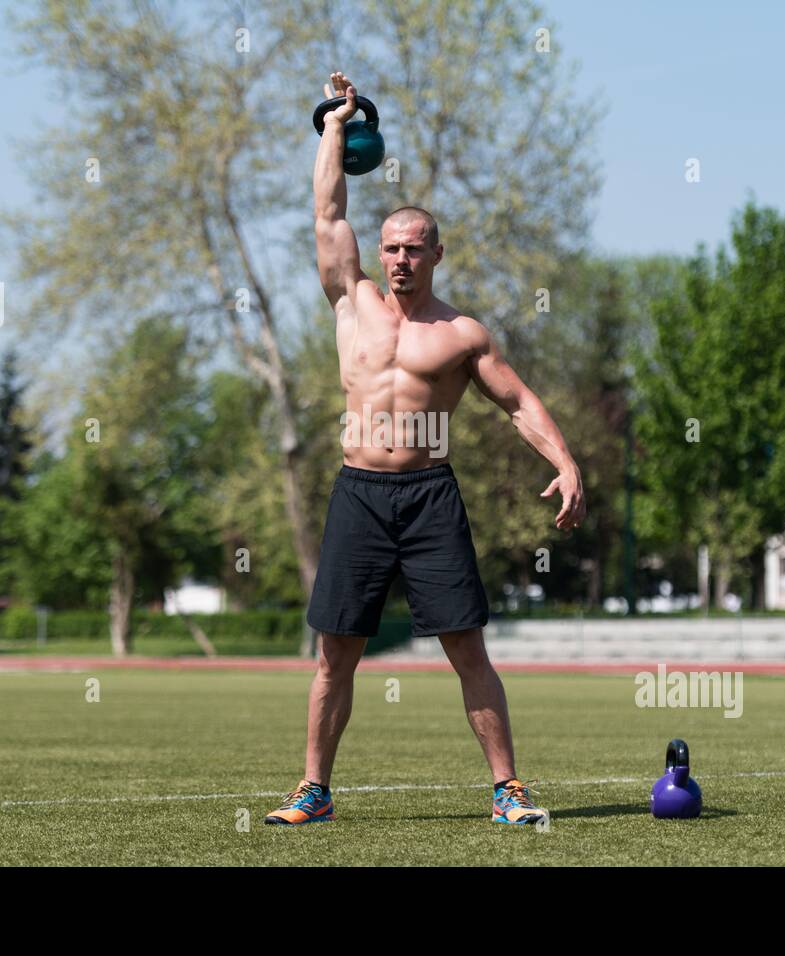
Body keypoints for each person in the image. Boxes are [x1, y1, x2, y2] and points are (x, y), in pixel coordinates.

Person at [265, 73, 586, 827]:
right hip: (358, 494)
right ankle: (314, 790)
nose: (400, 260)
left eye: (413, 249)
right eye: (391, 249)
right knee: (334, 654)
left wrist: (566, 463)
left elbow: (517, 402)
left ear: (437, 253)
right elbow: (326, 212)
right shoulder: (352, 302)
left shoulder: (461, 334)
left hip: (429, 498)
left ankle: (508, 789)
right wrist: (334, 126)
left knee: (467, 649)